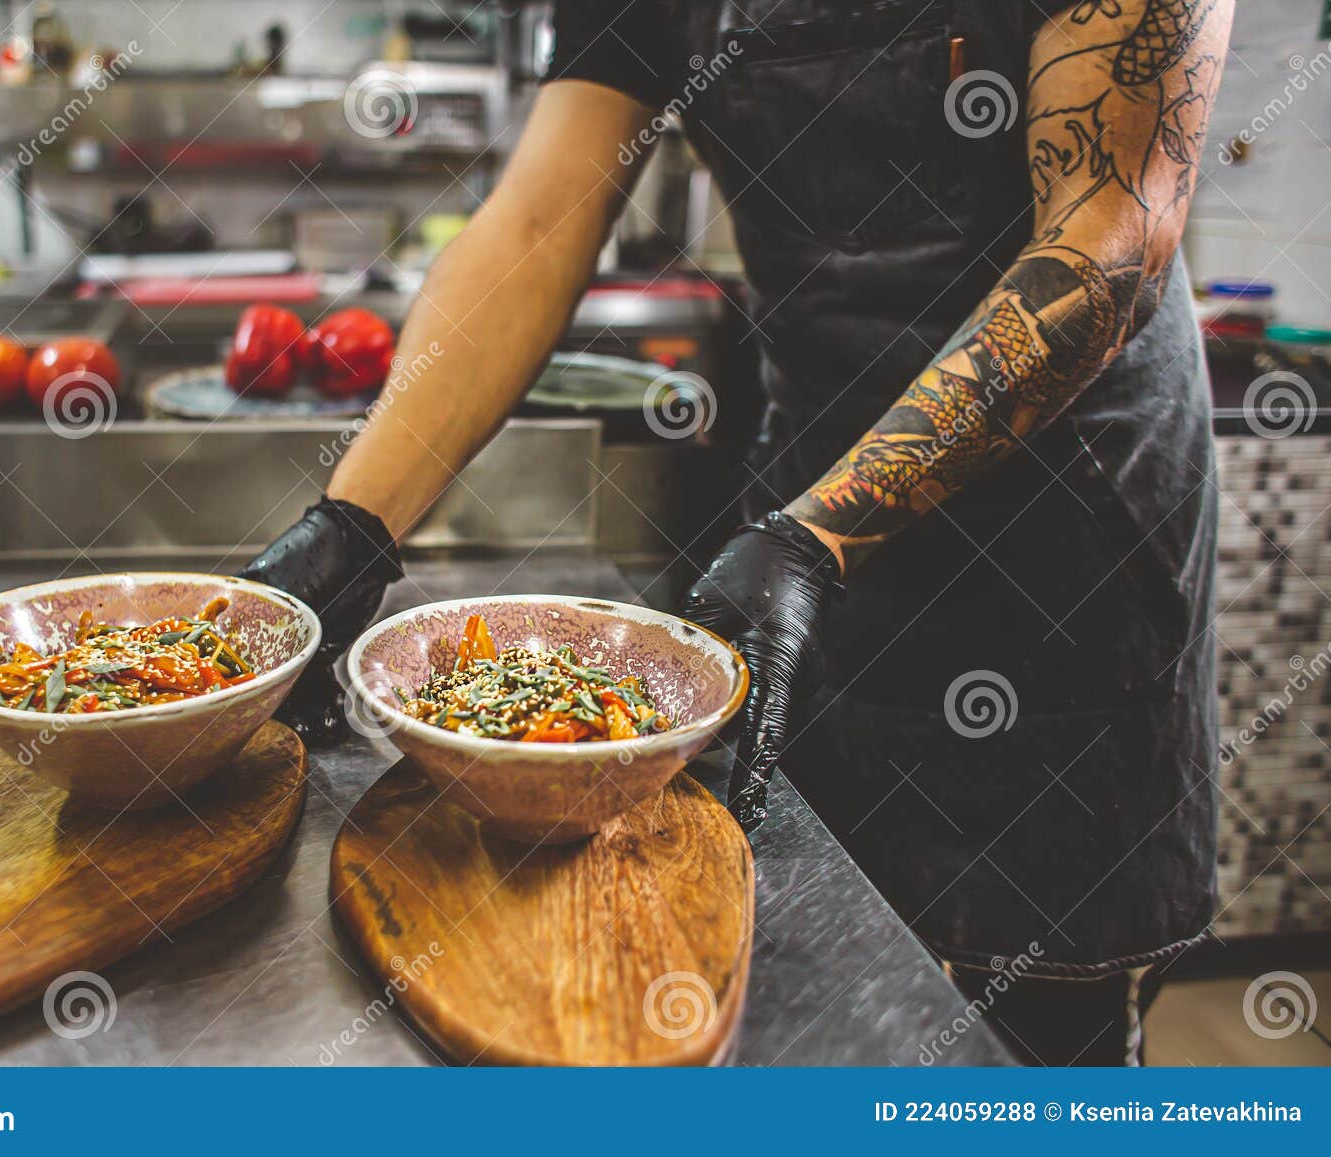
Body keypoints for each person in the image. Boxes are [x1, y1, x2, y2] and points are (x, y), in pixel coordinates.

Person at [243, 0, 1234, 1066]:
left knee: (1035, 1039)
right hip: (800, 521)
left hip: (1060, 544)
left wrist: (819, 533)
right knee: (810, 980)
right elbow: (539, 220)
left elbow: (1108, 238)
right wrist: (354, 523)